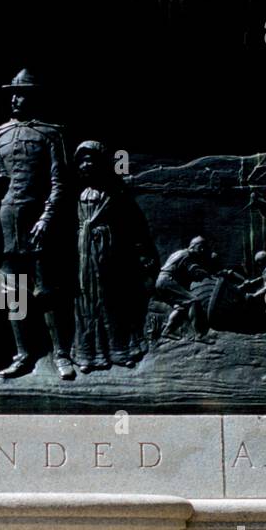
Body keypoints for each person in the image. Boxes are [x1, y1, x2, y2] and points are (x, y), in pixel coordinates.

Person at [0, 69, 74, 380]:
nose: (14, 98)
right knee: (12, 290)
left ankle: (61, 353)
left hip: (39, 221)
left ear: (34, 97)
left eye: (20, 93)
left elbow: (59, 182)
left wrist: (46, 219)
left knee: (46, 290)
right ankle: (23, 353)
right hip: (7, 218)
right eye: (11, 93)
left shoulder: (51, 134)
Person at [71, 140, 159, 371]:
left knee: (112, 300)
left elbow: (134, 225)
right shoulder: (74, 192)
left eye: (91, 160)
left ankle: (118, 351)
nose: (86, 164)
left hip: (110, 252)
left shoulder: (117, 192)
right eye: (82, 160)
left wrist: (141, 252)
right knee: (86, 302)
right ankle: (88, 355)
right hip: (83, 254)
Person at [156, 235, 219, 342]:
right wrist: (209, 275)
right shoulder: (187, 256)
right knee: (194, 301)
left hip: (161, 281)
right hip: (167, 281)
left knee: (182, 307)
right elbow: (194, 271)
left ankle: (167, 331)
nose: (202, 251)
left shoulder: (179, 253)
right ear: (198, 247)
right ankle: (199, 335)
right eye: (202, 249)